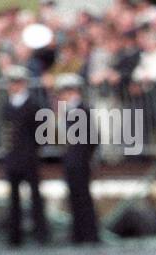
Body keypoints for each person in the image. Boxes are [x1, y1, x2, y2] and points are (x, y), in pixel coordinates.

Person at [3, 66, 49, 246]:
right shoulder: (8, 105)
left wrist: (34, 150)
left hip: (29, 157)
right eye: (12, 82)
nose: (14, 86)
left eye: (17, 82)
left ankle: (41, 233)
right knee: (14, 198)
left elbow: (41, 132)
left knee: (35, 196)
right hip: (13, 157)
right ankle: (15, 236)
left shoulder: (33, 105)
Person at [55, 73, 100, 244]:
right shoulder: (66, 112)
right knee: (73, 197)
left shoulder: (83, 110)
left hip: (80, 160)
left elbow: (93, 138)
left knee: (83, 196)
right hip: (70, 160)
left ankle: (90, 233)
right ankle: (78, 233)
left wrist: (84, 156)